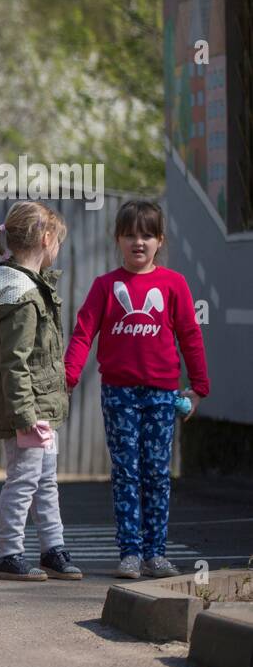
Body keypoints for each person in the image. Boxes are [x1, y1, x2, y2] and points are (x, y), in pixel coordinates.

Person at [64, 200, 209, 579]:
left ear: (160, 241)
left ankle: (155, 553)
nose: (138, 242)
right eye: (130, 234)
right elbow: (82, 334)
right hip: (119, 395)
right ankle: (130, 552)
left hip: (162, 395)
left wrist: (198, 388)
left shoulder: (174, 284)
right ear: (118, 240)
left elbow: (191, 335)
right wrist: (68, 378)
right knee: (126, 473)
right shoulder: (105, 286)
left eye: (147, 234)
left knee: (157, 474)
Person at [0, 201, 81, 582]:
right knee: (22, 481)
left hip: (40, 407)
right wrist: (26, 418)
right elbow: (14, 362)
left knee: (44, 480)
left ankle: (52, 549)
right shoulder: (22, 297)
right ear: (46, 238)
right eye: (58, 241)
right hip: (29, 410)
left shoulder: (29, 286)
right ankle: (8, 553)